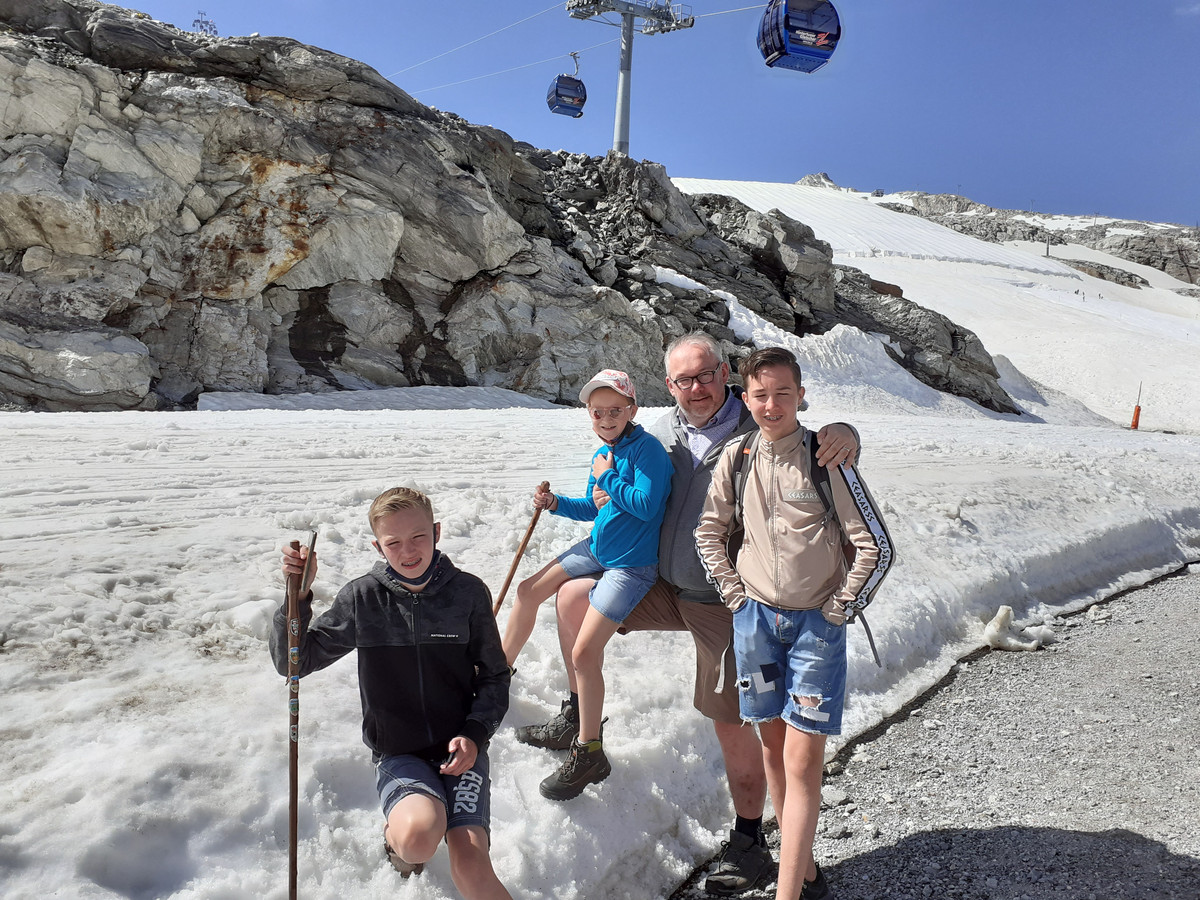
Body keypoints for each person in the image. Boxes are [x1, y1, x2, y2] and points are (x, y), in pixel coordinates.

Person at [518, 333, 860, 895]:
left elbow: (814, 445)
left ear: (724, 373)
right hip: (659, 581)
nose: (696, 389)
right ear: (668, 385)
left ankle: (755, 840)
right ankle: (582, 726)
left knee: (739, 724)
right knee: (573, 596)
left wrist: (847, 435)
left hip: (723, 603)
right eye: (683, 380)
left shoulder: (758, 430)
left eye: (705, 376)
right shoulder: (665, 435)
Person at [695, 347, 891, 900]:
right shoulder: (736, 457)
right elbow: (709, 531)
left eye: (783, 393)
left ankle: (788, 892)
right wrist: (735, 598)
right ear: (746, 397)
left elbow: (874, 545)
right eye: (760, 394)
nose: (771, 404)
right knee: (774, 755)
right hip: (755, 623)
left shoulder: (828, 457)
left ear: (802, 395)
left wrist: (838, 610)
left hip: (816, 632)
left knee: (803, 764)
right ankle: (803, 872)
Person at [270, 487, 512, 900]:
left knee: (470, 861)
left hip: (462, 750)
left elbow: (494, 675)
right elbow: (295, 662)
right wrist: (298, 597)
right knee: (419, 836)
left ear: (436, 532)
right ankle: (398, 841)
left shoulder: (467, 593)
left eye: (418, 536)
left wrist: (475, 734)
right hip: (399, 752)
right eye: (393, 542)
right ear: (377, 546)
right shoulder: (363, 598)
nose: (408, 550)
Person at [502, 369, 672, 801]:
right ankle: (495, 677)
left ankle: (589, 749)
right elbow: (594, 509)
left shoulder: (647, 451)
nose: (606, 418)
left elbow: (648, 507)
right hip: (599, 547)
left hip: (630, 566)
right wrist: (556, 503)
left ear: (632, 409)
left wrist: (609, 478)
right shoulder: (605, 452)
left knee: (584, 651)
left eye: (615, 410)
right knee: (528, 591)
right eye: (598, 412)